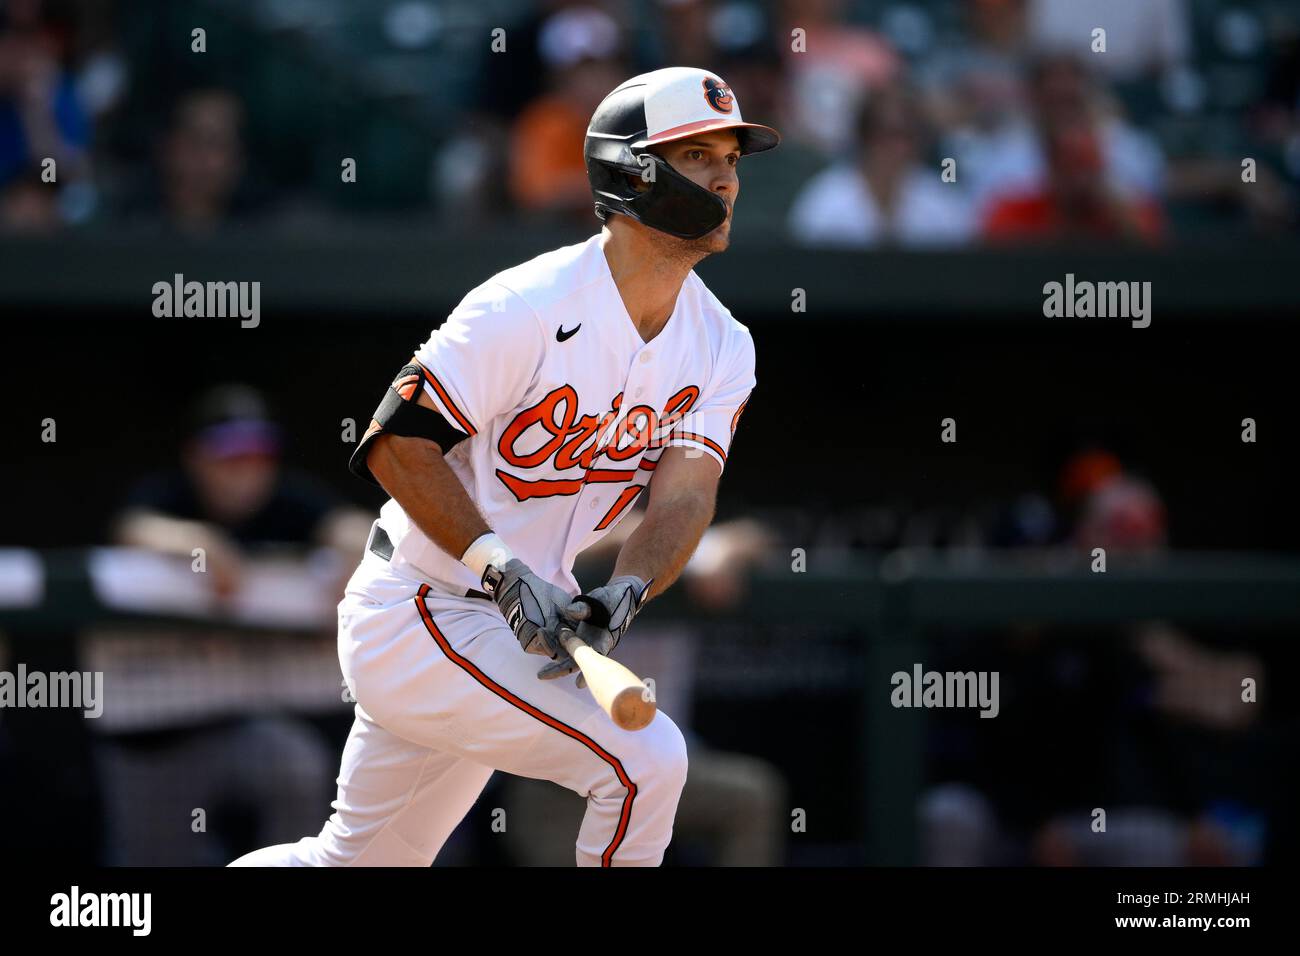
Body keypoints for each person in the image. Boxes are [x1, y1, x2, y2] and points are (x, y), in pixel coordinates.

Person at [230, 66, 780, 867]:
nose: (727, 175)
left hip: (512, 624)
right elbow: (395, 443)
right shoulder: (528, 303)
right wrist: (501, 569)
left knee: (354, 865)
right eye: (697, 155)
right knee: (647, 762)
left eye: (732, 155)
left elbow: (684, 497)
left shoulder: (724, 343)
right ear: (634, 172)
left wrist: (630, 587)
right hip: (423, 605)